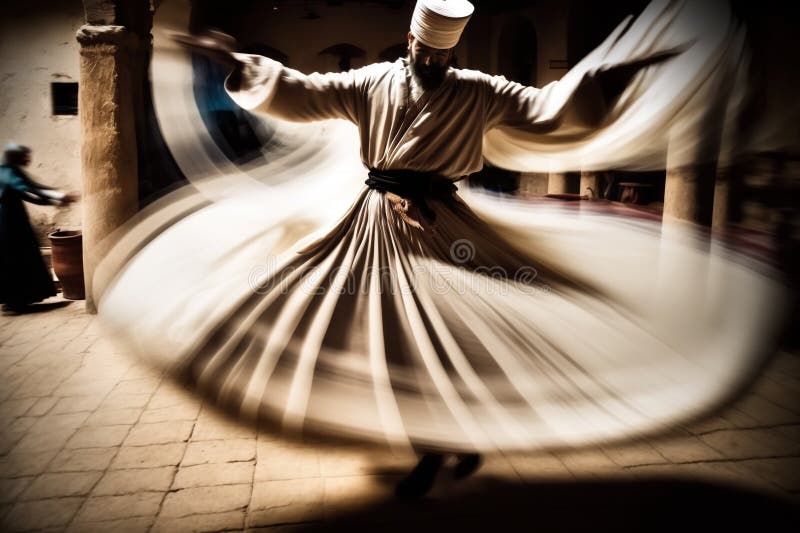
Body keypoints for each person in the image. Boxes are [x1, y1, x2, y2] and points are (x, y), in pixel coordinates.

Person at [101, 0, 782, 502]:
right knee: (380, 330)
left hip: (444, 219)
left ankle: (445, 437)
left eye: (444, 55)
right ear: (410, 42)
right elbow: (306, 93)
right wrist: (238, 63)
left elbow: (547, 107)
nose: (434, 62)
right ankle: (429, 432)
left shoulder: (478, 92)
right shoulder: (371, 82)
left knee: (457, 323)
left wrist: (615, 77)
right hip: (374, 219)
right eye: (426, 53)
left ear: (453, 52)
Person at [0, 143, 78, 314]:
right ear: (15, 156)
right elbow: (27, 189)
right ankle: (16, 300)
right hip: (11, 225)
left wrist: (55, 199)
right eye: (24, 156)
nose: (27, 159)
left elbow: (33, 191)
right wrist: (61, 197)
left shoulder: (6, 170)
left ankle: (12, 300)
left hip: (11, 223)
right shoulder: (10, 173)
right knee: (17, 258)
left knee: (12, 259)